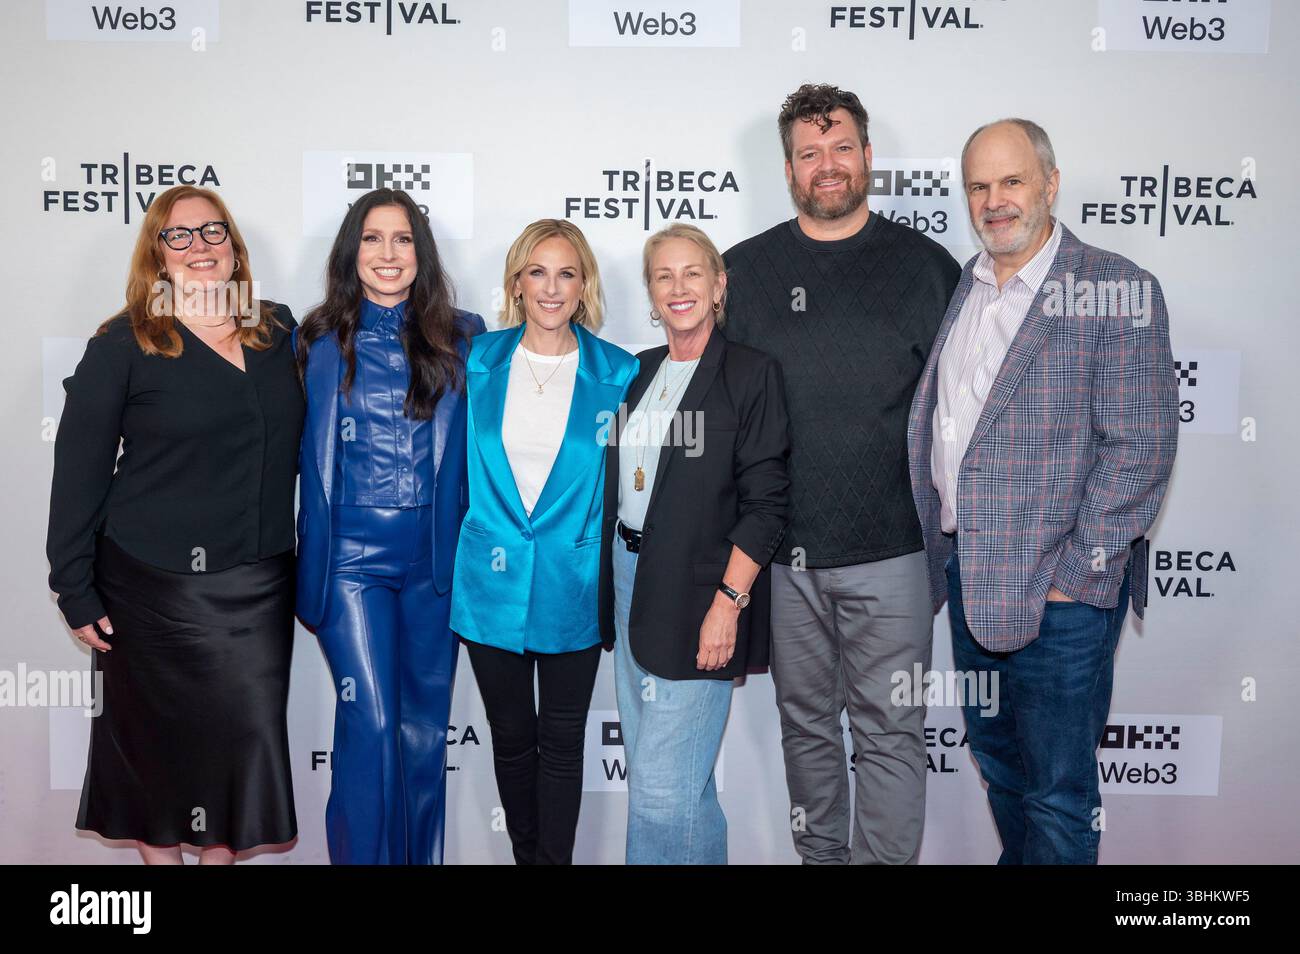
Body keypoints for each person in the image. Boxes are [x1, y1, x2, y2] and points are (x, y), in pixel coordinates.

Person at [907, 118, 1178, 864]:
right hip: (972, 580)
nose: (995, 201)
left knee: (1058, 796)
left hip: (1062, 597)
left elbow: (1141, 450)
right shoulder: (966, 286)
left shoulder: (1116, 289)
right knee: (1003, 772)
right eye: (978, 186)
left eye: (1012, 181)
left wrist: (1077, 578)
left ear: (1050, 184)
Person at [723, 83, 961, 863]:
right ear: (788, 167)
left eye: (841, 148)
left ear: (867, 156)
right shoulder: (744, 273)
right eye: (808, 153)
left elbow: (968, 419)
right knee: (806, 729)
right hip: (784, 559)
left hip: (895, 553)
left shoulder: (928, 269)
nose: (827, 166)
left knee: (891, 734)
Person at [46, 184, 302, 864]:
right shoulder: (122, 344)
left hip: (257, 585)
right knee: (155, 770)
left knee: (236, 759)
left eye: (213, 232)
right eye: (179, 235)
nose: (199, 247)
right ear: (157, 255)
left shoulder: (279, 333)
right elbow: (78, 473)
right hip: (147, 588)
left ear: (234, 246)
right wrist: (74, 587)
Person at [295, 187, 484, 864]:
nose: (388, 253)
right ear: (352, 252)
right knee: (371, 723)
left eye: (403, 239)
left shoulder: (464, 335)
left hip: (435, 563)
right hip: (350, 561)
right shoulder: (313, 339)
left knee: (422, 734)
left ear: (420, 253)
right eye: (373, 238)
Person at [598, 224, 790, 864]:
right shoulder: (640, 372)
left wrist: (727, 602)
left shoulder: (749, 373)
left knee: (659, 791)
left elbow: (766, 504)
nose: (678, 287)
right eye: (663, 276)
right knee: (680, 788)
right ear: (650, 294)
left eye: (692, 274)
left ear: (718, 285)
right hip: (631, 580)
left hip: (701, 593)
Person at [451, 219, 637, 865]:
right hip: (488, 584)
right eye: (537, 272)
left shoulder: (620, 371)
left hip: (575, 585)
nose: (551, 288)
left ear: (583, 284)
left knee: (563, 744)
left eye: (566, 273)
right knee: (510, 740)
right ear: (516, 283)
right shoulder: (476, 359)